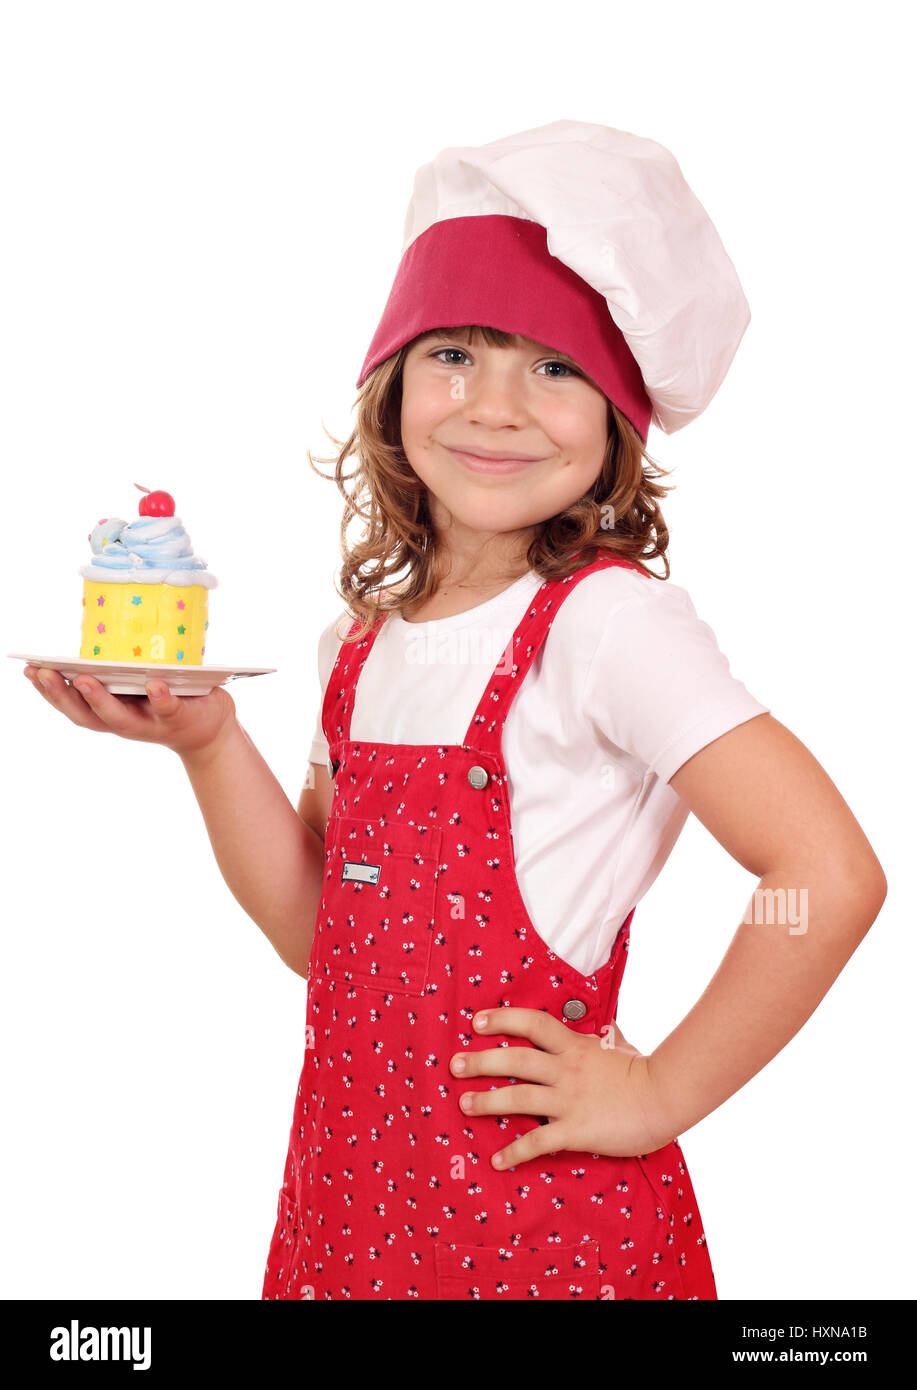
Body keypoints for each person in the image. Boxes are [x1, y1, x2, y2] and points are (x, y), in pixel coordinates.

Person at [24, 122, 886, 1301]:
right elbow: (318, 937)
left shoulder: (605, 627)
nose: (494, 405)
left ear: (619, 416)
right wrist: (208, 743)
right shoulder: (359, 645)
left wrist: (658, 1090)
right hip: (353, 1210)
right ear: (390, 381)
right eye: (457, 353)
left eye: (554, 366)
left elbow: (820, 874)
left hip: (539, 1233)